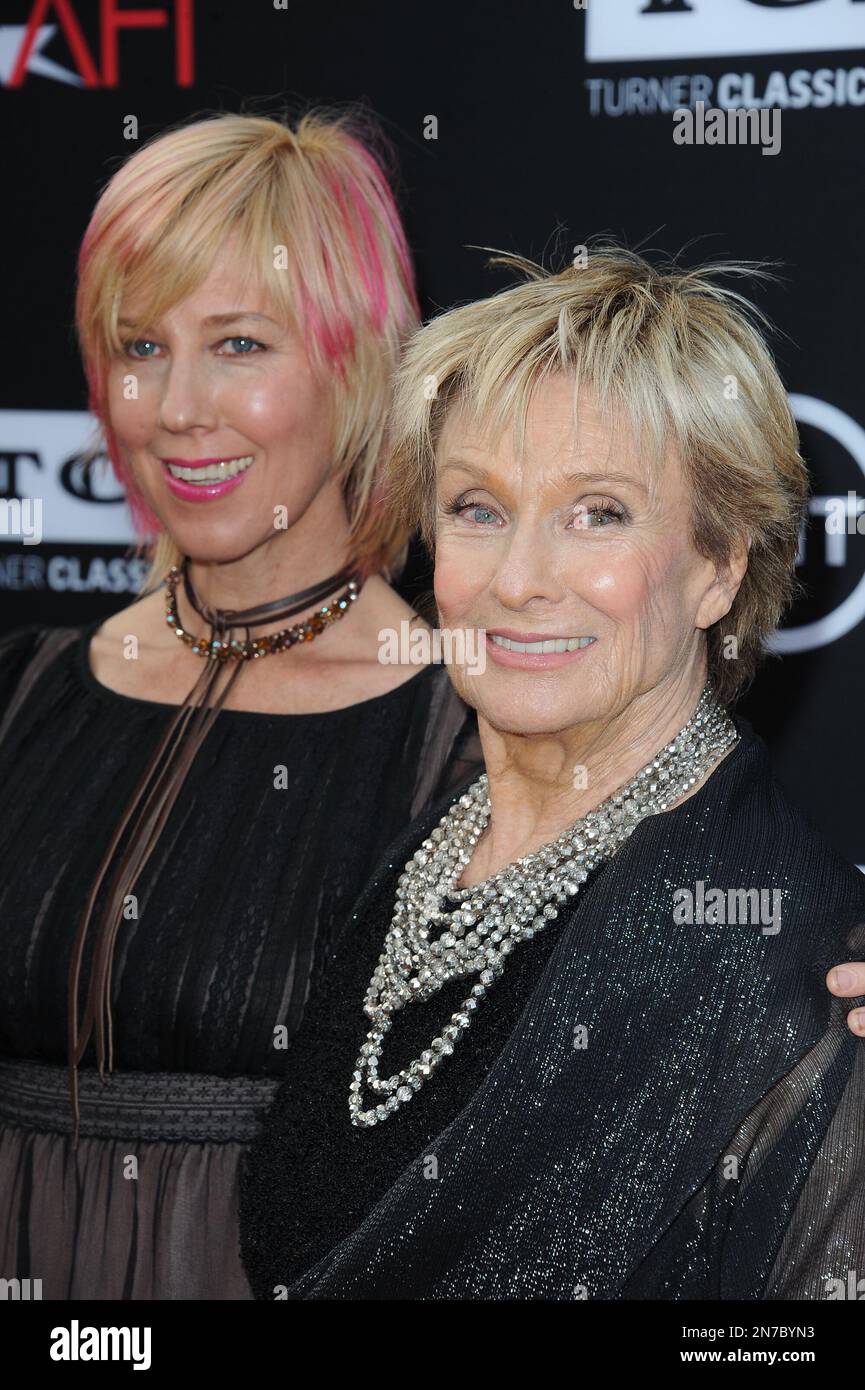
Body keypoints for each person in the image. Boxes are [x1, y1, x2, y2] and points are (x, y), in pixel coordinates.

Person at [238, 243, 865, 1300]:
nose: (519, 580)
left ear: (719, 563)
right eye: (479, 509)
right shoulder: (408, 857)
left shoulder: (797, 973)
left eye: (598, 513)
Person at [0, 109, 482, 1299]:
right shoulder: (21, 689)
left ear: (355, 361)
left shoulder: (467, 737)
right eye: (138, 346)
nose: (174, 409)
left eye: (239, 345)